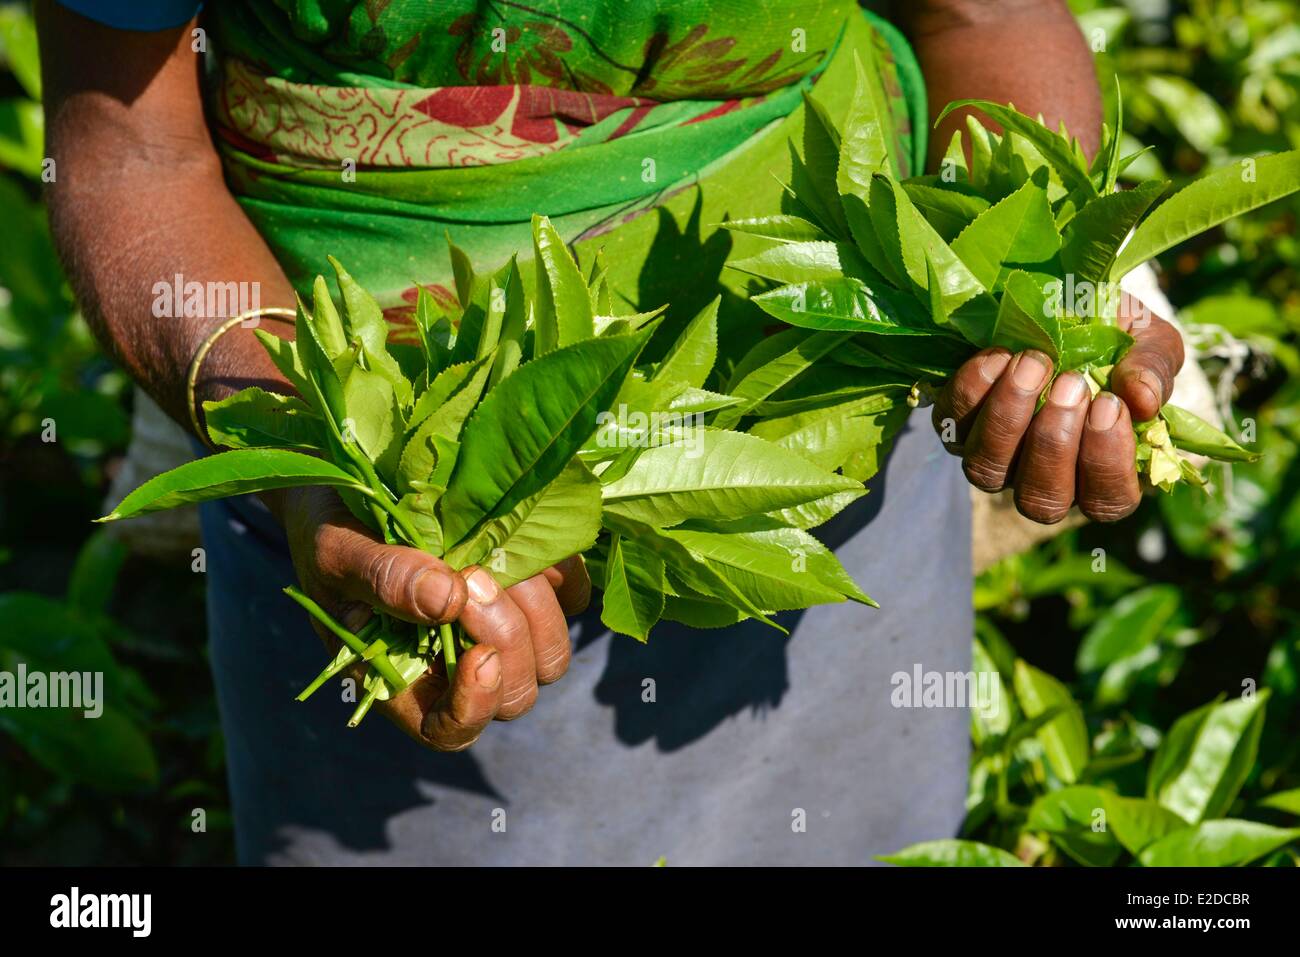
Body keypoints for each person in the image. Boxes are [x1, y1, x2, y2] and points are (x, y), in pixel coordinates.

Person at [37, 0, 1184, 865]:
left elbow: (982, 15)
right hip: (382, 490)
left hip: (828, 395)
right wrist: (308, 458)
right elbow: (132, 142)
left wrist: (1026, 284)